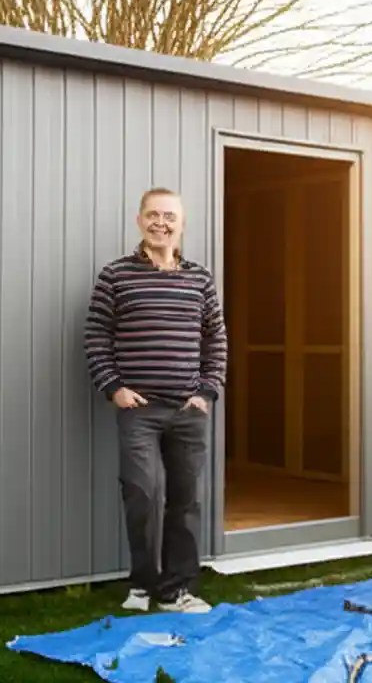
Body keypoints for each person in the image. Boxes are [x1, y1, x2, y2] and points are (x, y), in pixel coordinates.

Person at [83, 187, 228, 614]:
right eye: (152, 215)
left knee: (185, 501)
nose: (160, 223)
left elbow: (215, 338)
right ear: (139, 220)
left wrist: (206, 391)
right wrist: (114, 388)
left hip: (188, 410)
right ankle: (144, 585)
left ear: (181, 224)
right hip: (139, 410)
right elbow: (95, 335)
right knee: (142, 494)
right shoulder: (115, 275)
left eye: (169, 216)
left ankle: (178, 591)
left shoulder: (200, 278)